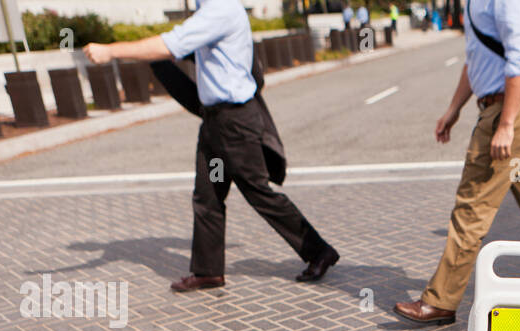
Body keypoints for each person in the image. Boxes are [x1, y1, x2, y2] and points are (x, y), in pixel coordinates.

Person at [84, 0, 339, 292]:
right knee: (208, 195)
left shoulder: (221, 9)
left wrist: (110, 50)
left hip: (235, 125)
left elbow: (171, 44)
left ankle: (318, 251)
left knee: (258, 193)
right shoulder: (211, 9)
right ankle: (208, 271)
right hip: (215, 125)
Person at [394, 0, 520, 326]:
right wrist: (454, 109)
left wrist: (506, 125)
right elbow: (477, 58)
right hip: (505, 109)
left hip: (510, 113)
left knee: (472, 206)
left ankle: (441, 301)